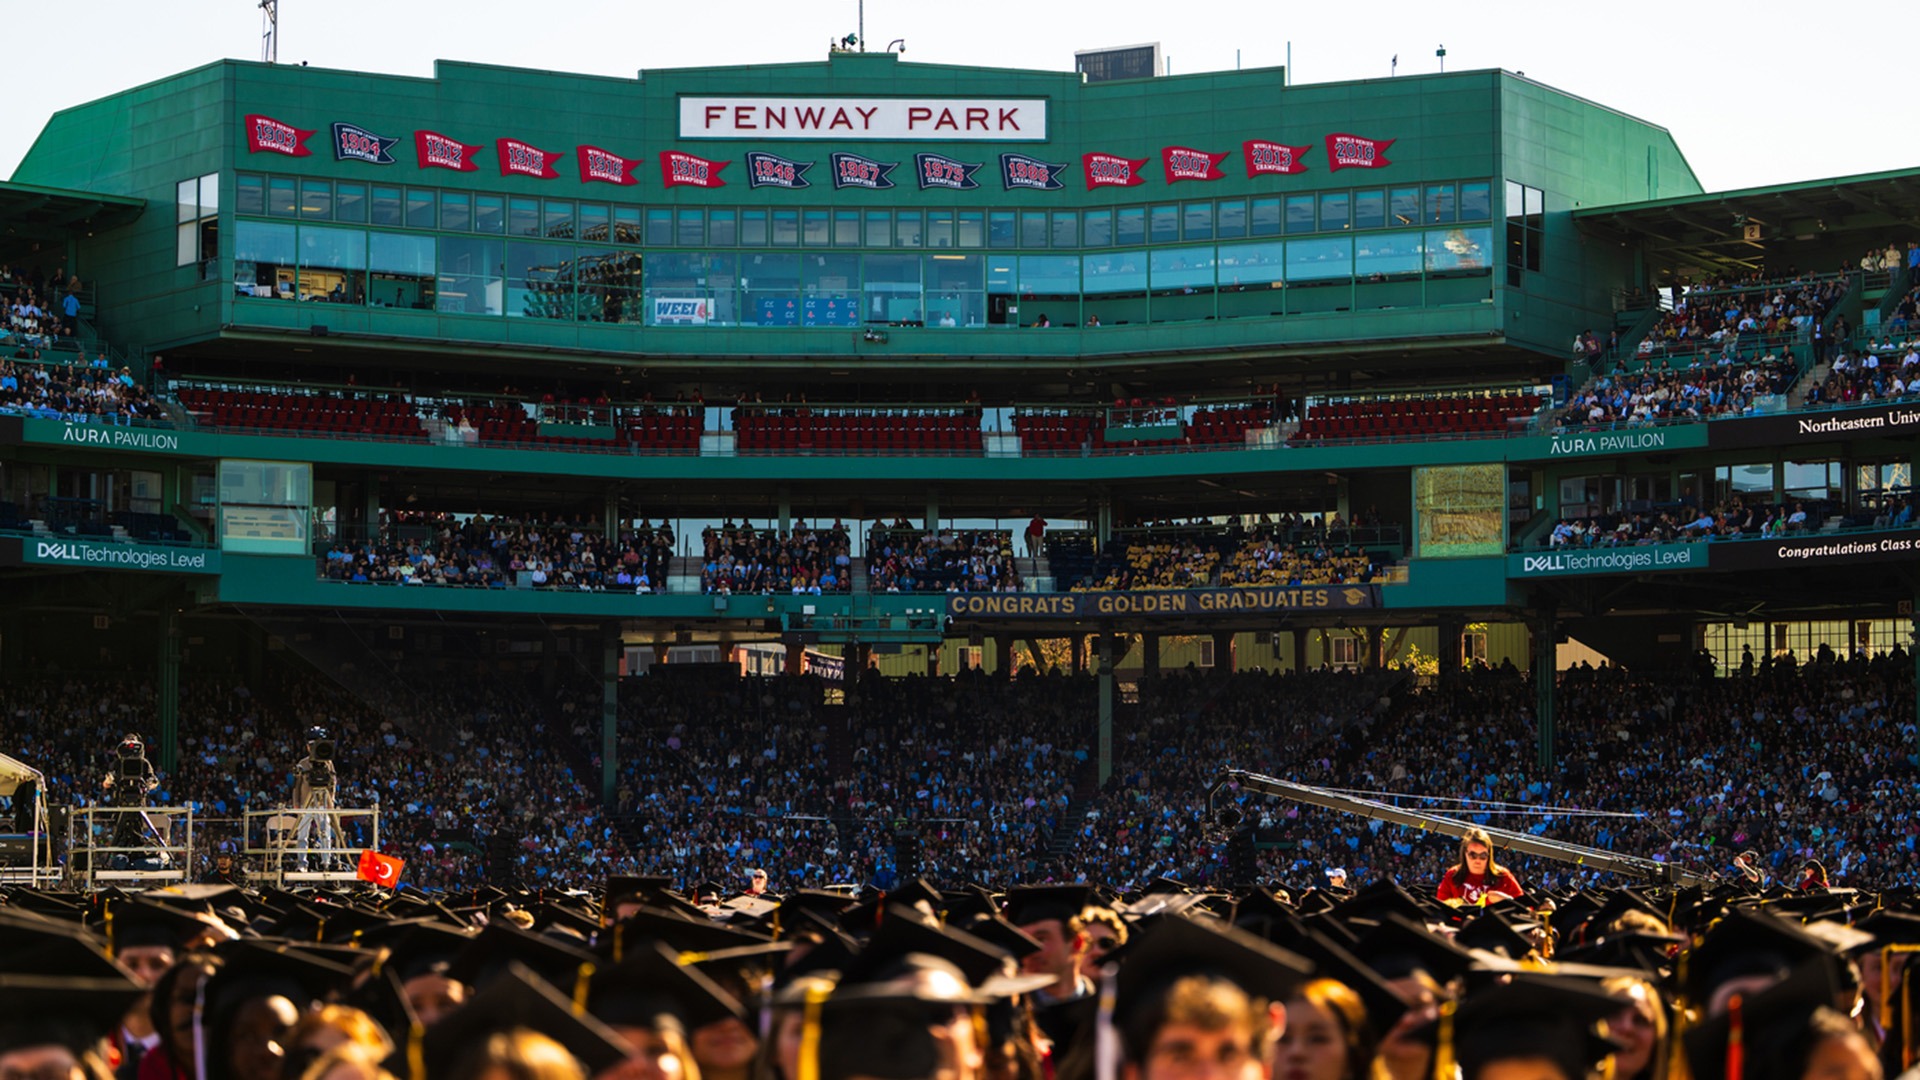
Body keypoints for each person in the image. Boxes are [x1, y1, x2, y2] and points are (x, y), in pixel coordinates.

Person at [292, 726, 340, 872]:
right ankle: (302, 863)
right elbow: (296, 786)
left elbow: (333, 782)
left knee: (325, 832)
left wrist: (331, 800)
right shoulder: (303, 763)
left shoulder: (328, 763)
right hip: (306, 803)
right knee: (303, 834)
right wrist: (296, 804)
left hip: (322, 803)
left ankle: (326, 862)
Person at [1433, 828, 1523, 907]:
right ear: (1465, 853)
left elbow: (1524, 908)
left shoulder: (1503, 876)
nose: (1478, 860)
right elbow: (1441, 909)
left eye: (1483, 855)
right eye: (1473, 855)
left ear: (1489, 855)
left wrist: (1507, 900)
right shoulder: (1452, 875)